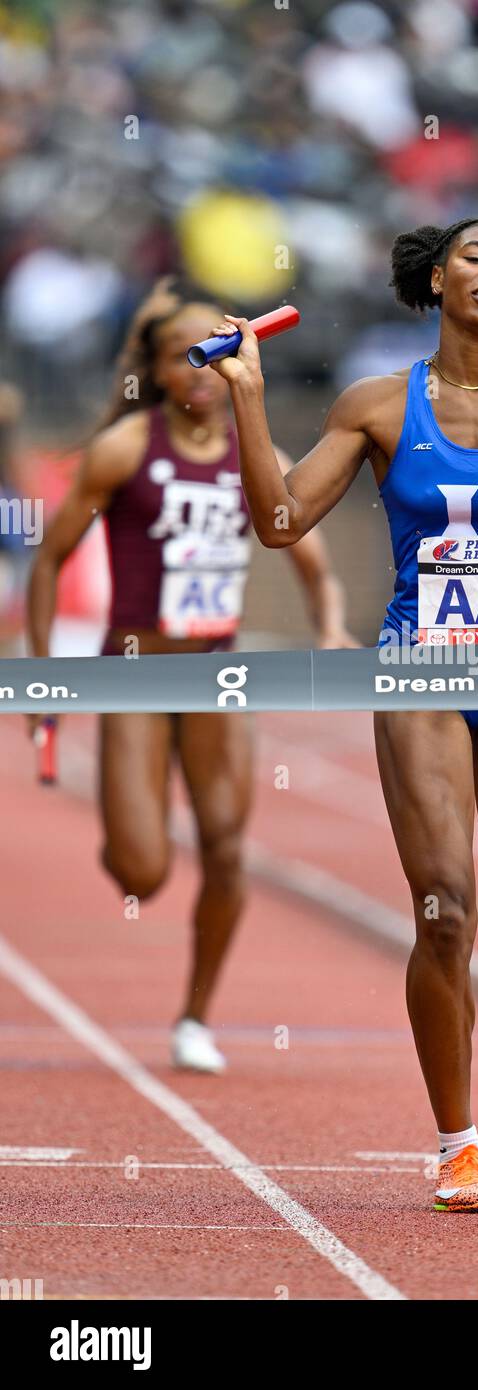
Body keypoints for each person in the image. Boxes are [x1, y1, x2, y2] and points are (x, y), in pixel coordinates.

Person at [208, 219, 478, 1208]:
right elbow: (279, 523)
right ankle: (459, 1142)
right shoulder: (376, 405)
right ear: (436, 278)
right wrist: (249, 401)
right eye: (476, 257)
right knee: (444, 905)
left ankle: (464, 1110)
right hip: (417, 676)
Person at [26, 277, 357, 1073]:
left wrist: (330, 627)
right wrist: (41, 676)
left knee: (227, 847)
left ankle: (196, 1017)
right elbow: (48, 562)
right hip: (135, 676)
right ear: (158, 370)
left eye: (216, 351)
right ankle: (126, 834)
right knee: (141, 869)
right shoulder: (126, 448)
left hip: (217, 675)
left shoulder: (258, 457)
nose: (202, 369)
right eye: (184, 355)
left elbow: (312, 563)